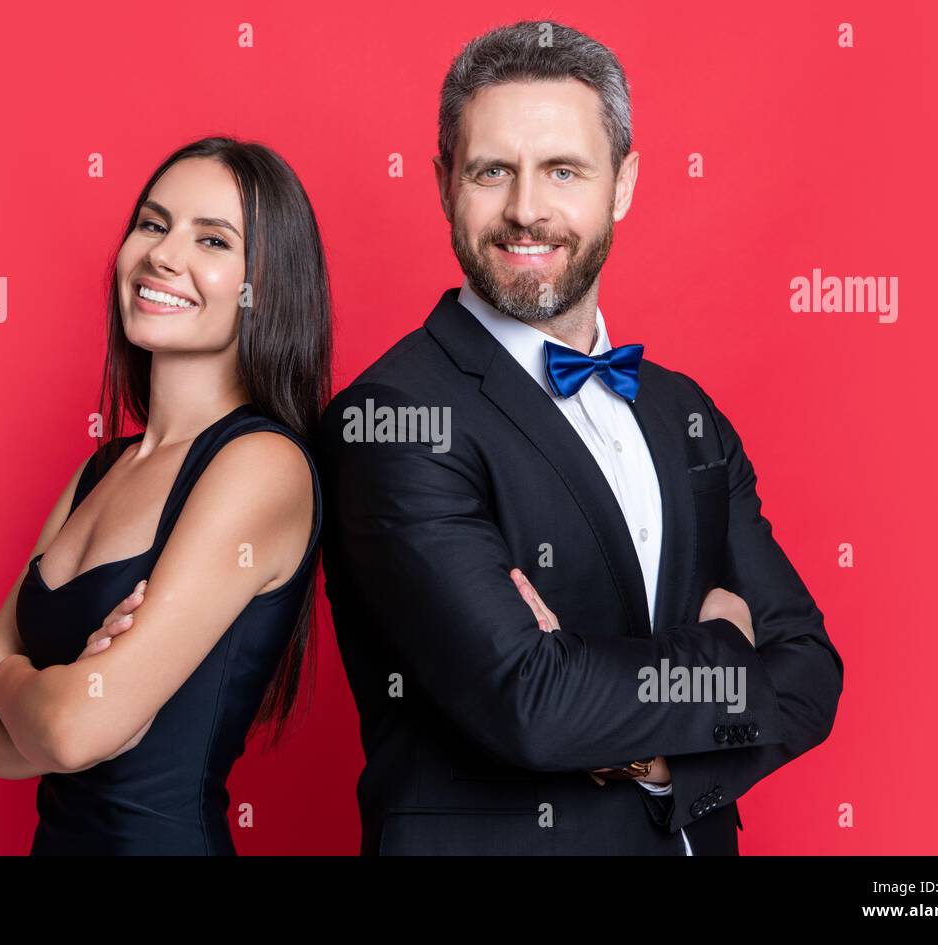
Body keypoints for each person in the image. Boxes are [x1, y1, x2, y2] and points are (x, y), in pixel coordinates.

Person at [318, 21, 843, 855]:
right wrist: (724, 655)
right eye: (493, 171)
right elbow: (532, 703)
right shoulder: (390, 420)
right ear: (443, 183)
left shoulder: (683, 412)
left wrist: (652, 758)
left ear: (623, 184)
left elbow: (811, 672)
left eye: (563, 170)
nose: (527, 209)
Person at [0, 136, 332, 855]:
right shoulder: (101, 469)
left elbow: (72, 727)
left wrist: (12, 681)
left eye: (212, 239)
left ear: (267, 286)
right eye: (153, 224)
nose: (162, 254)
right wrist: (55, 709)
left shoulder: (263, 464)